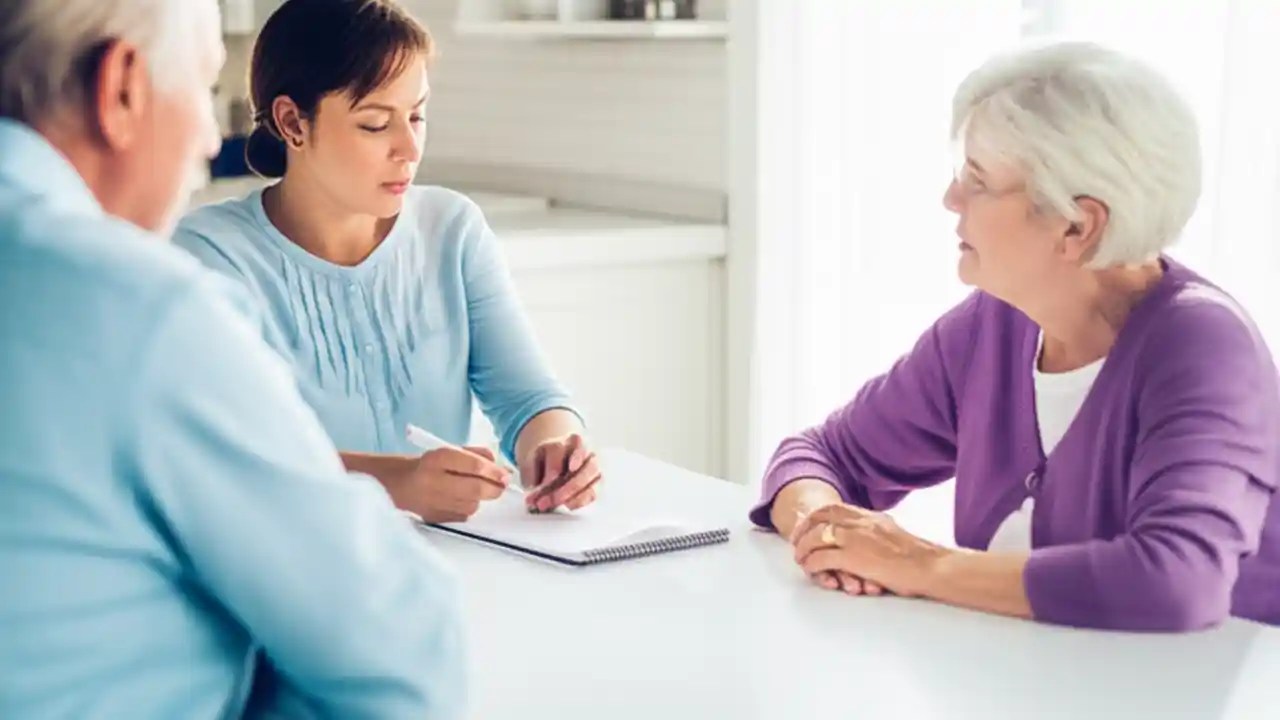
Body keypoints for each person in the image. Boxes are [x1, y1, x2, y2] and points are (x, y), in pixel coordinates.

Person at [0, 1, 465, 717]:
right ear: (122, 86)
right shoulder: (145, 307)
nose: (205, 142)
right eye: (202, 85)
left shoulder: (450, 229)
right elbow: (405, 663)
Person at [752, 41, 1280, 632]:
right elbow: (824, 455)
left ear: (1077, 226)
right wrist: (829, 535)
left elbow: (1177, 582)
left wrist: (922, 566)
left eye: (977, 181)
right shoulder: (994, 326)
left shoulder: (1204, 347)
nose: (950, 199)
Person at [173, 0, 601, 523]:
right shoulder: (212, 257)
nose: (409, 148)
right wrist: (396, 483)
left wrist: (555, 449)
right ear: (292, 123)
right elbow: (227, 459)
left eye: (416, 115)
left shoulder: (453, 229)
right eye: (375, 124)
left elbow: (530, 399)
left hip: (453, 565)